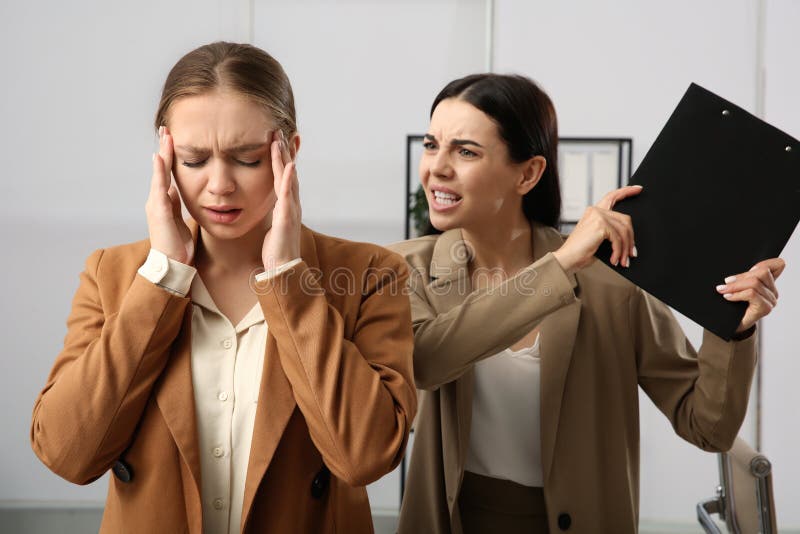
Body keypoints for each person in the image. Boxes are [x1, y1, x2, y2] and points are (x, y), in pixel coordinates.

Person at [30, 41, 416, 534]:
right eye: (193, 160)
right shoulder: (113, 273)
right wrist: (163, 277)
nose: (219, 185)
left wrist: (289, 281)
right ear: (165, 158)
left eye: (247, 159)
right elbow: (66, 453)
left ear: (289, 153)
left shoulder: (368, 274)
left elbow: (363, 457)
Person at [388, 73, 785, 534]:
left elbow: (707, 426)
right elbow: (428, 360)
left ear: (528, 173)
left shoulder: (612, 286)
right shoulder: (403, 269)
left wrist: (732, 328)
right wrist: (560, 265)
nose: (436, 167)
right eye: (432, 144)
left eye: (465, 151)